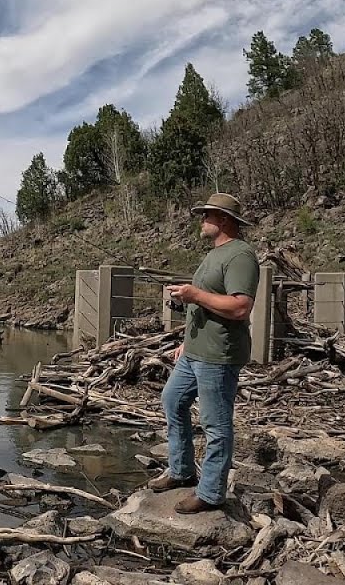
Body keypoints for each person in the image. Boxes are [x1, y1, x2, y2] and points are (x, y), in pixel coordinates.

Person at [148, 193, 259, 514]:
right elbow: (207, 304)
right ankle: (182, 471)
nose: (201, 220)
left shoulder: (241, 256)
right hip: (195, 352)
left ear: (224, 220)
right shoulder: (214, 254)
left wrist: (195, 294)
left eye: (207, 215)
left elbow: (240, 307)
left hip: (218, 356)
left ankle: (211, 494)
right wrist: (187, 340)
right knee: (172, 400)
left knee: (216, 424)